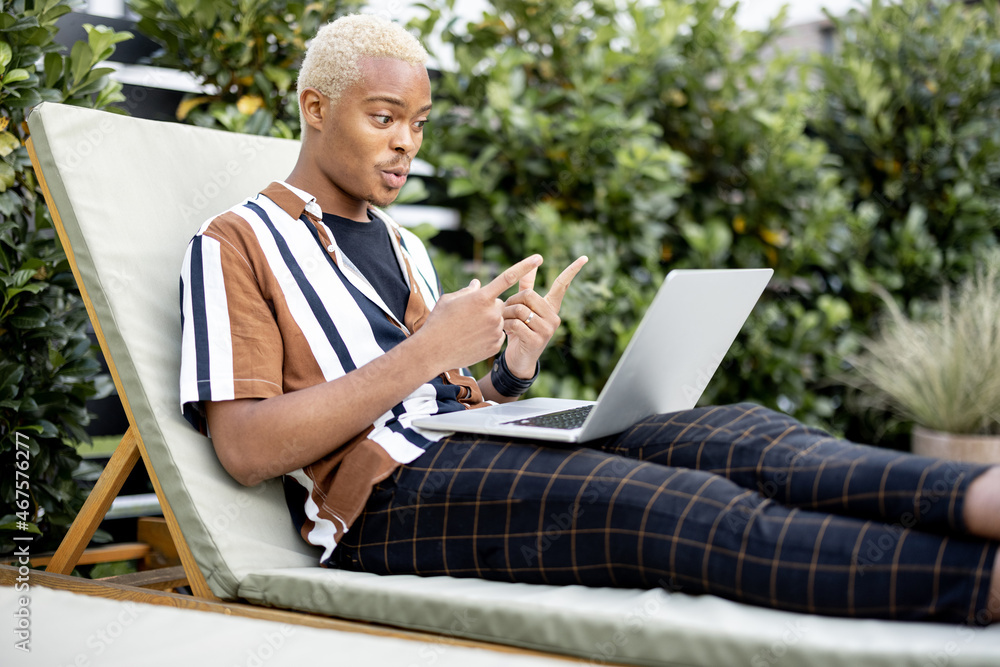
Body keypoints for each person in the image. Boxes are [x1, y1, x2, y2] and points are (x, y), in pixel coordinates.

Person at [179, 14, 1000, 625]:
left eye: (419, 124)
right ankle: (976, 585)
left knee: (738, 436)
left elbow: (443, 401)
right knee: (664, 507)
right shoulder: (236, 242)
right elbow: (247, 448)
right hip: (382, 502)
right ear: (317, 107)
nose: (405, 146)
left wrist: (511, 373)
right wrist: (426, 351)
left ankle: (977, 496)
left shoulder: (402, 245)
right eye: (383, 117)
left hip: (462, 448)